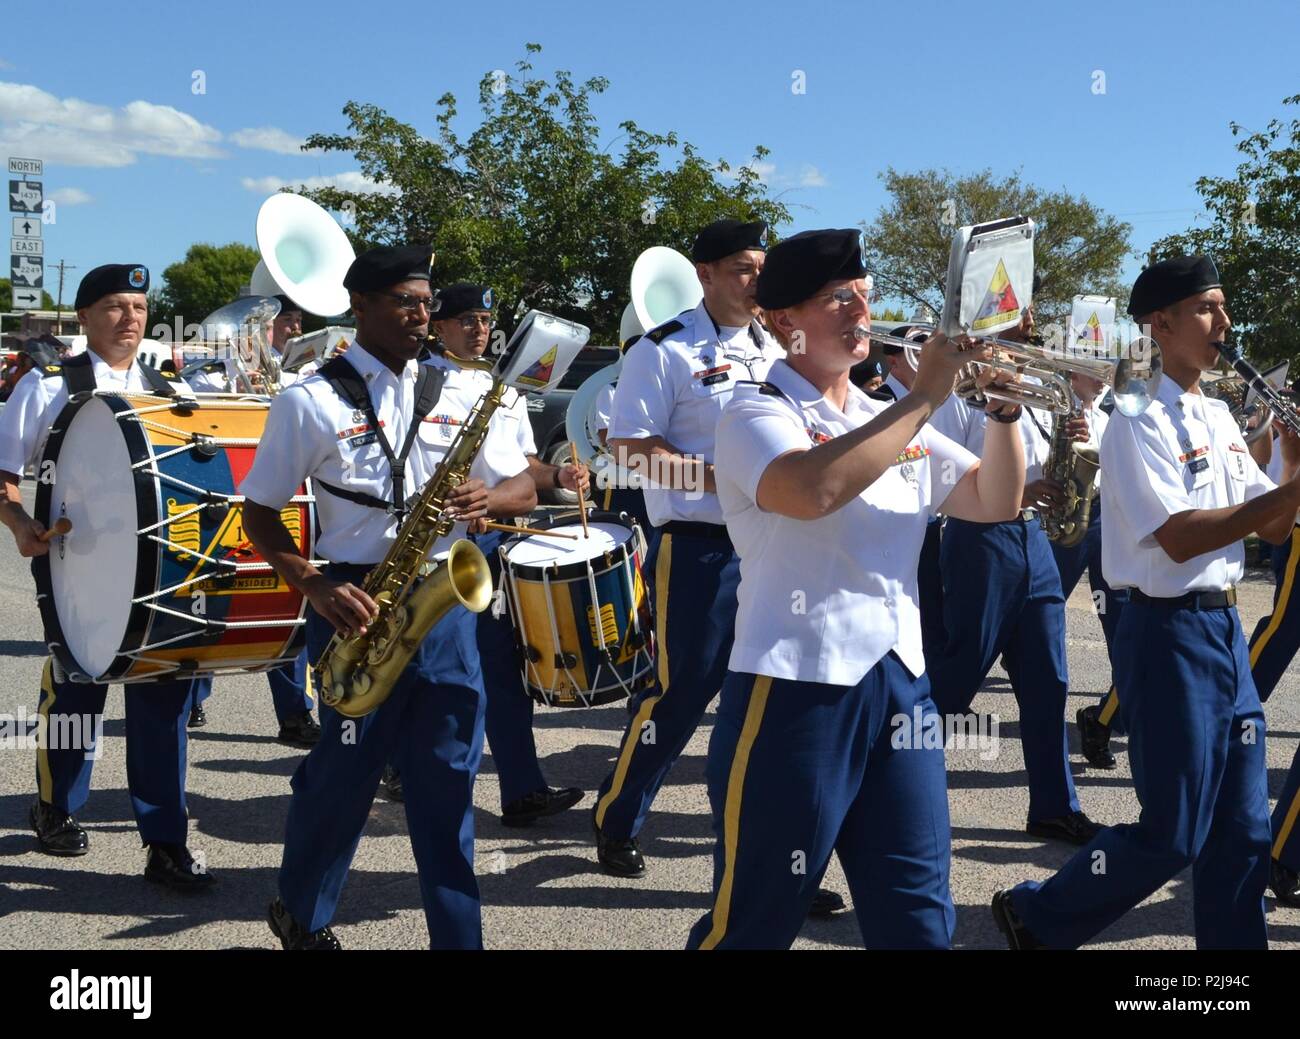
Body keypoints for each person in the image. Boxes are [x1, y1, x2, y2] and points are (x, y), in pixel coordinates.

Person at [686, 228, 1025, 948]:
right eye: (840, 298)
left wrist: (1002, 416)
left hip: (901, 687)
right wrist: (927, 395)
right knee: (753, 920)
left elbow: (993, 500)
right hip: (793, 688)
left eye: (866, 296)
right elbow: (811, 490)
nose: (861, 311)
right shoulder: (753, 412)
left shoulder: (882, 418)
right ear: (784, 322)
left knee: (920, 919)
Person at [993, 255, 1299, 950]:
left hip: (1221, 628)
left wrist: (1293, 464)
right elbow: (1179, 537)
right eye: (1206, 309)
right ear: (1158, 324)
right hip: (1167, 634)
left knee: (1244, 829)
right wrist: (1286, 493)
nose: (1225, 323)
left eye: (1223, 308)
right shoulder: (1137, 420)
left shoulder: (1218, 412)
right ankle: (1038, 911)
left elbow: (1274, 526)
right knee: (1172, 832)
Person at [242, 246, 490, 949]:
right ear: (362, 307)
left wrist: (494, 492)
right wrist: (315, 584)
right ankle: (303, 909)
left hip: (442, 608)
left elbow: (522, 483)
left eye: (427, 300)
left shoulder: (456, 389)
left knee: (448, 789)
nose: (423, 315)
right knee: (344, 778)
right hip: (354, 601)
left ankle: (458, 938)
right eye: (406, 302)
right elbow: (260, 513)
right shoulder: (308, 399)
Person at [0, 264, 214, 890]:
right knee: (78, 692)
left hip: (158, 568)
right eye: (115, 307)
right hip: (78, 566)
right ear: (85, 317)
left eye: (140, 307)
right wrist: (17, 523)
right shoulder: (45, 384)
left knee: (162, 700)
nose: (130, 319)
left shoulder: (170, 387)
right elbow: (4, 471)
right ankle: (55, 805)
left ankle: (166, 844)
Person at [594, 219, 780, 873]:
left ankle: (769, 848)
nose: (757, 278)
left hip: (774, 547)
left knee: (771, 697)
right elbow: (628, 447)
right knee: (680, 692)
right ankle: (619, 816)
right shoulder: (664, 348)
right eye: (742, 268)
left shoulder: (779, 347)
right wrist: (715, 479)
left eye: (761, 265)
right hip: (700, 549)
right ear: (703, 275)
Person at [400, 280, 586, 826]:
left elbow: (523, 465)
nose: (480, 331)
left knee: (503, 671)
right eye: (467, 322)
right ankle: (399, 766)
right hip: (437, 547)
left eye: (485, 321)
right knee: (434, 672)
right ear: (440, 326)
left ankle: (522, 790)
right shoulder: (416, 382)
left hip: (493, 542)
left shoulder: (504, 388)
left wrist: (559, 475)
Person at [925, 307, 1102, 845]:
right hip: (977, 538)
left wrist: (1071, 437)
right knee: (956, 676)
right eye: (1017, 325)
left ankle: (1053, 804)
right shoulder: (955, 387)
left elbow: (1045, 461)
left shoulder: (1037, 386)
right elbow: (938, 469)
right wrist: (1016, 492)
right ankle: (886, 787)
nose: (1030, 331)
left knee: (1048, 681)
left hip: (1034, 540)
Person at [186, 293, 318, 744]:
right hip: (215, 497)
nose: (254, 339)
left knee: (283, 603)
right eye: (247, 331)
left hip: (277, 500)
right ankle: (190, 698)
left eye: (260, 330)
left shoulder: (292, 378)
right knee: (200, 598)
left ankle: (295, 714)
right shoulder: (201, 381)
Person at [1047, 372, 1126, 771]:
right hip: (1067, 512)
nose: (1103, 380)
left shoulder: (1111, 415)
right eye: (1094, 372)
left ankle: (1117, 704)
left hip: (1102, 519)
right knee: (1044, 605)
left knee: (1120, 616)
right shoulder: (1051, 404)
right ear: (1073, 372)